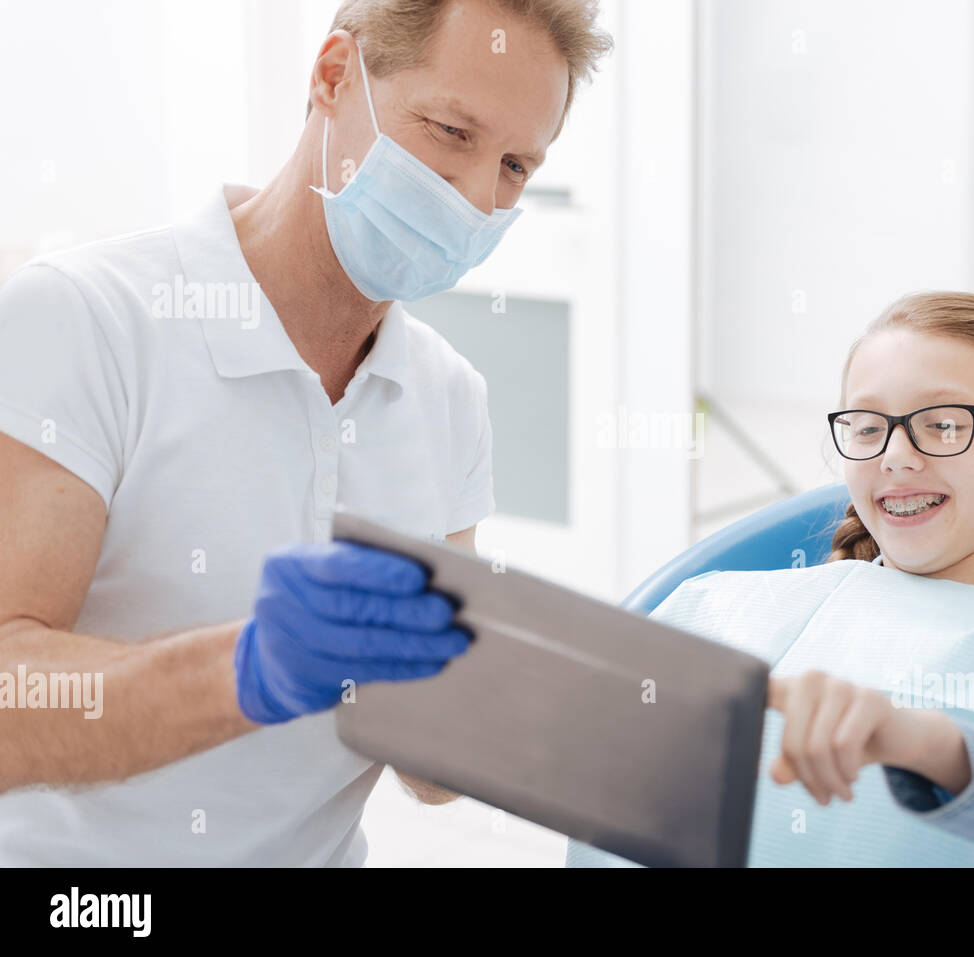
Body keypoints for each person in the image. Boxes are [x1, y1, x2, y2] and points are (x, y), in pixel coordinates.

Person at [0, 0, 612, 865]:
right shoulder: (84, 320)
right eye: (449, 131)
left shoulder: (447, 398)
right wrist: (243, 670)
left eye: (515, 165)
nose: (477, 200)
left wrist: (525, 705)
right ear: (332, 76)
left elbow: (430, 762)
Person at [567, 291, 974, 867]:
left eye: (944, 424)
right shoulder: (715, 605)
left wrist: (924, 745)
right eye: (867, 427)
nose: (895, 455)